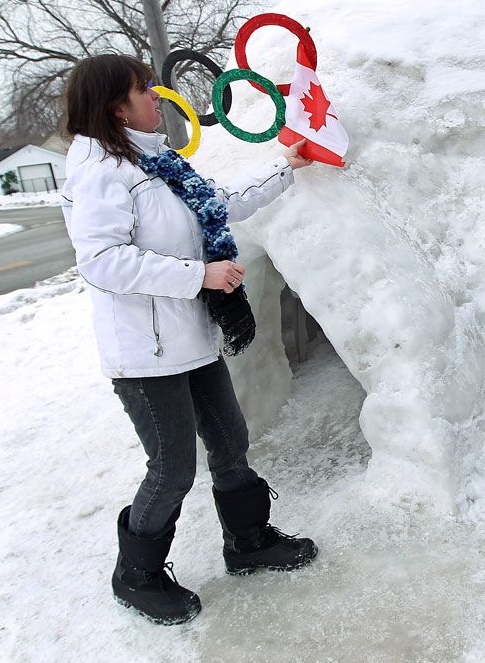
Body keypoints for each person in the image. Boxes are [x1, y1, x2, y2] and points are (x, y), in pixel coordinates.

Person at [62, 53, 319, 624]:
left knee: (230, 444)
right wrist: (197, 275)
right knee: (173, 469)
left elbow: (215, 208)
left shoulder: (154, 162)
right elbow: (101, 261)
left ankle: (248, 541)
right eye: (143, 91)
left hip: (190, 337)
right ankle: (137, 575)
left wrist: (286, 167)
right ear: (115, 107)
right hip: (145, 352)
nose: (157, 97)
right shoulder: (100, 171)